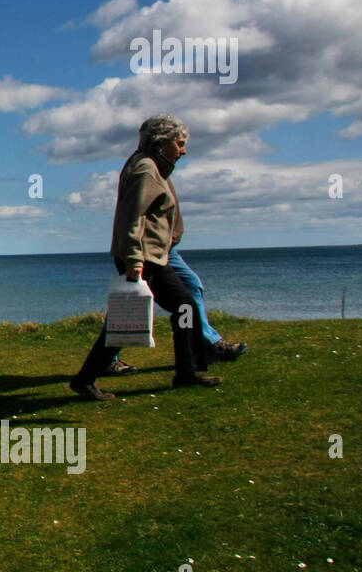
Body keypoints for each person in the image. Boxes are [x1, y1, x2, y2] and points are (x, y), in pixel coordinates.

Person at [71, 114, 221, 400]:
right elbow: (132, 217)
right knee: (142, 316)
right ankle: (86, 378)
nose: (184, 150)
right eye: (180, 143)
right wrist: (134, 262)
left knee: (174, 308)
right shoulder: (147, 169)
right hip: (143, 257)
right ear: (162, 143)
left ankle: (186, 372)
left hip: (149, 256)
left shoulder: (148, 165)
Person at [105, 246, 247, 375]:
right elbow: (130, 222)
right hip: (141, 248)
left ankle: (208, 344)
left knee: (190, 288)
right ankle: (104, 361)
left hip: (164, 246)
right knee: (130, 301)